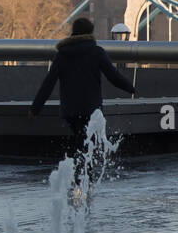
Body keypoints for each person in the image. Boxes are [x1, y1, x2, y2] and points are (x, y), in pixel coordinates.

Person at [29, 16, 137, 183]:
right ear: (90, 32)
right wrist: (131, 88)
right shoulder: (96, 52)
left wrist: (35, 109)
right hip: (91, 108)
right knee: (88, 142)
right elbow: (113, 76)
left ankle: (78, 178)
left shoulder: (62, 54)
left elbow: (48, 83)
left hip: (70, 110)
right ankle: (85, 179)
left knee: (79, 139)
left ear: (74, 31)